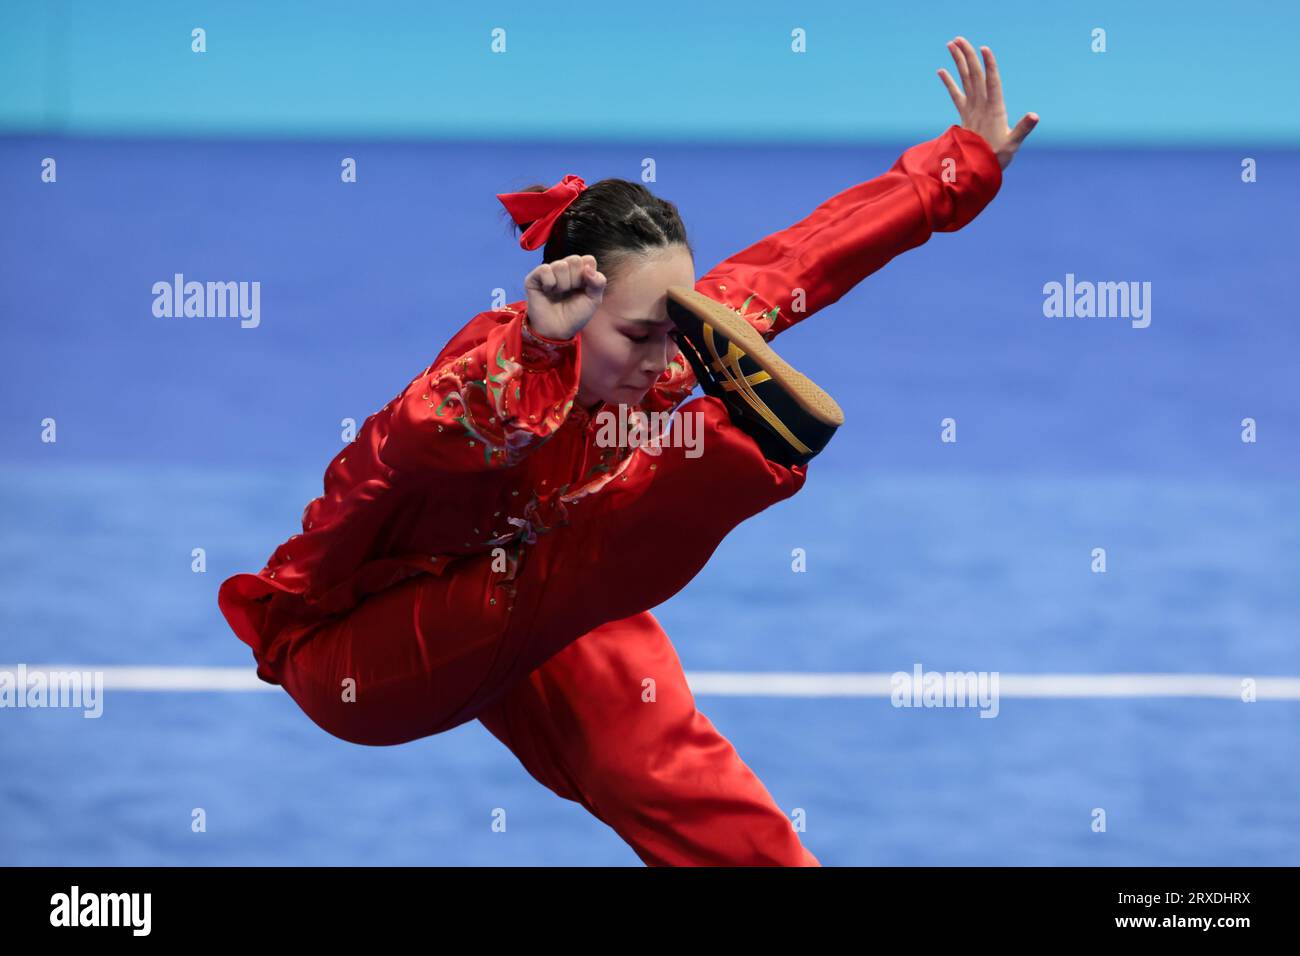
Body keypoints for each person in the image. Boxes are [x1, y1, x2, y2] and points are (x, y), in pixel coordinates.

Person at [218, 37, 1036, 866]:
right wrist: (537, 348)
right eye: (638, 335)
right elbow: (400, 443)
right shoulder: (485, 372)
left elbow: (804, 257)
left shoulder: (669, 349)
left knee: (669, 770)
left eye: (676, 328)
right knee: (598, 534)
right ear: (573, 303)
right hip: (357, 645)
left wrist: (958, 165)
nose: (662, 358)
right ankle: (745, 453)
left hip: (544, 580)